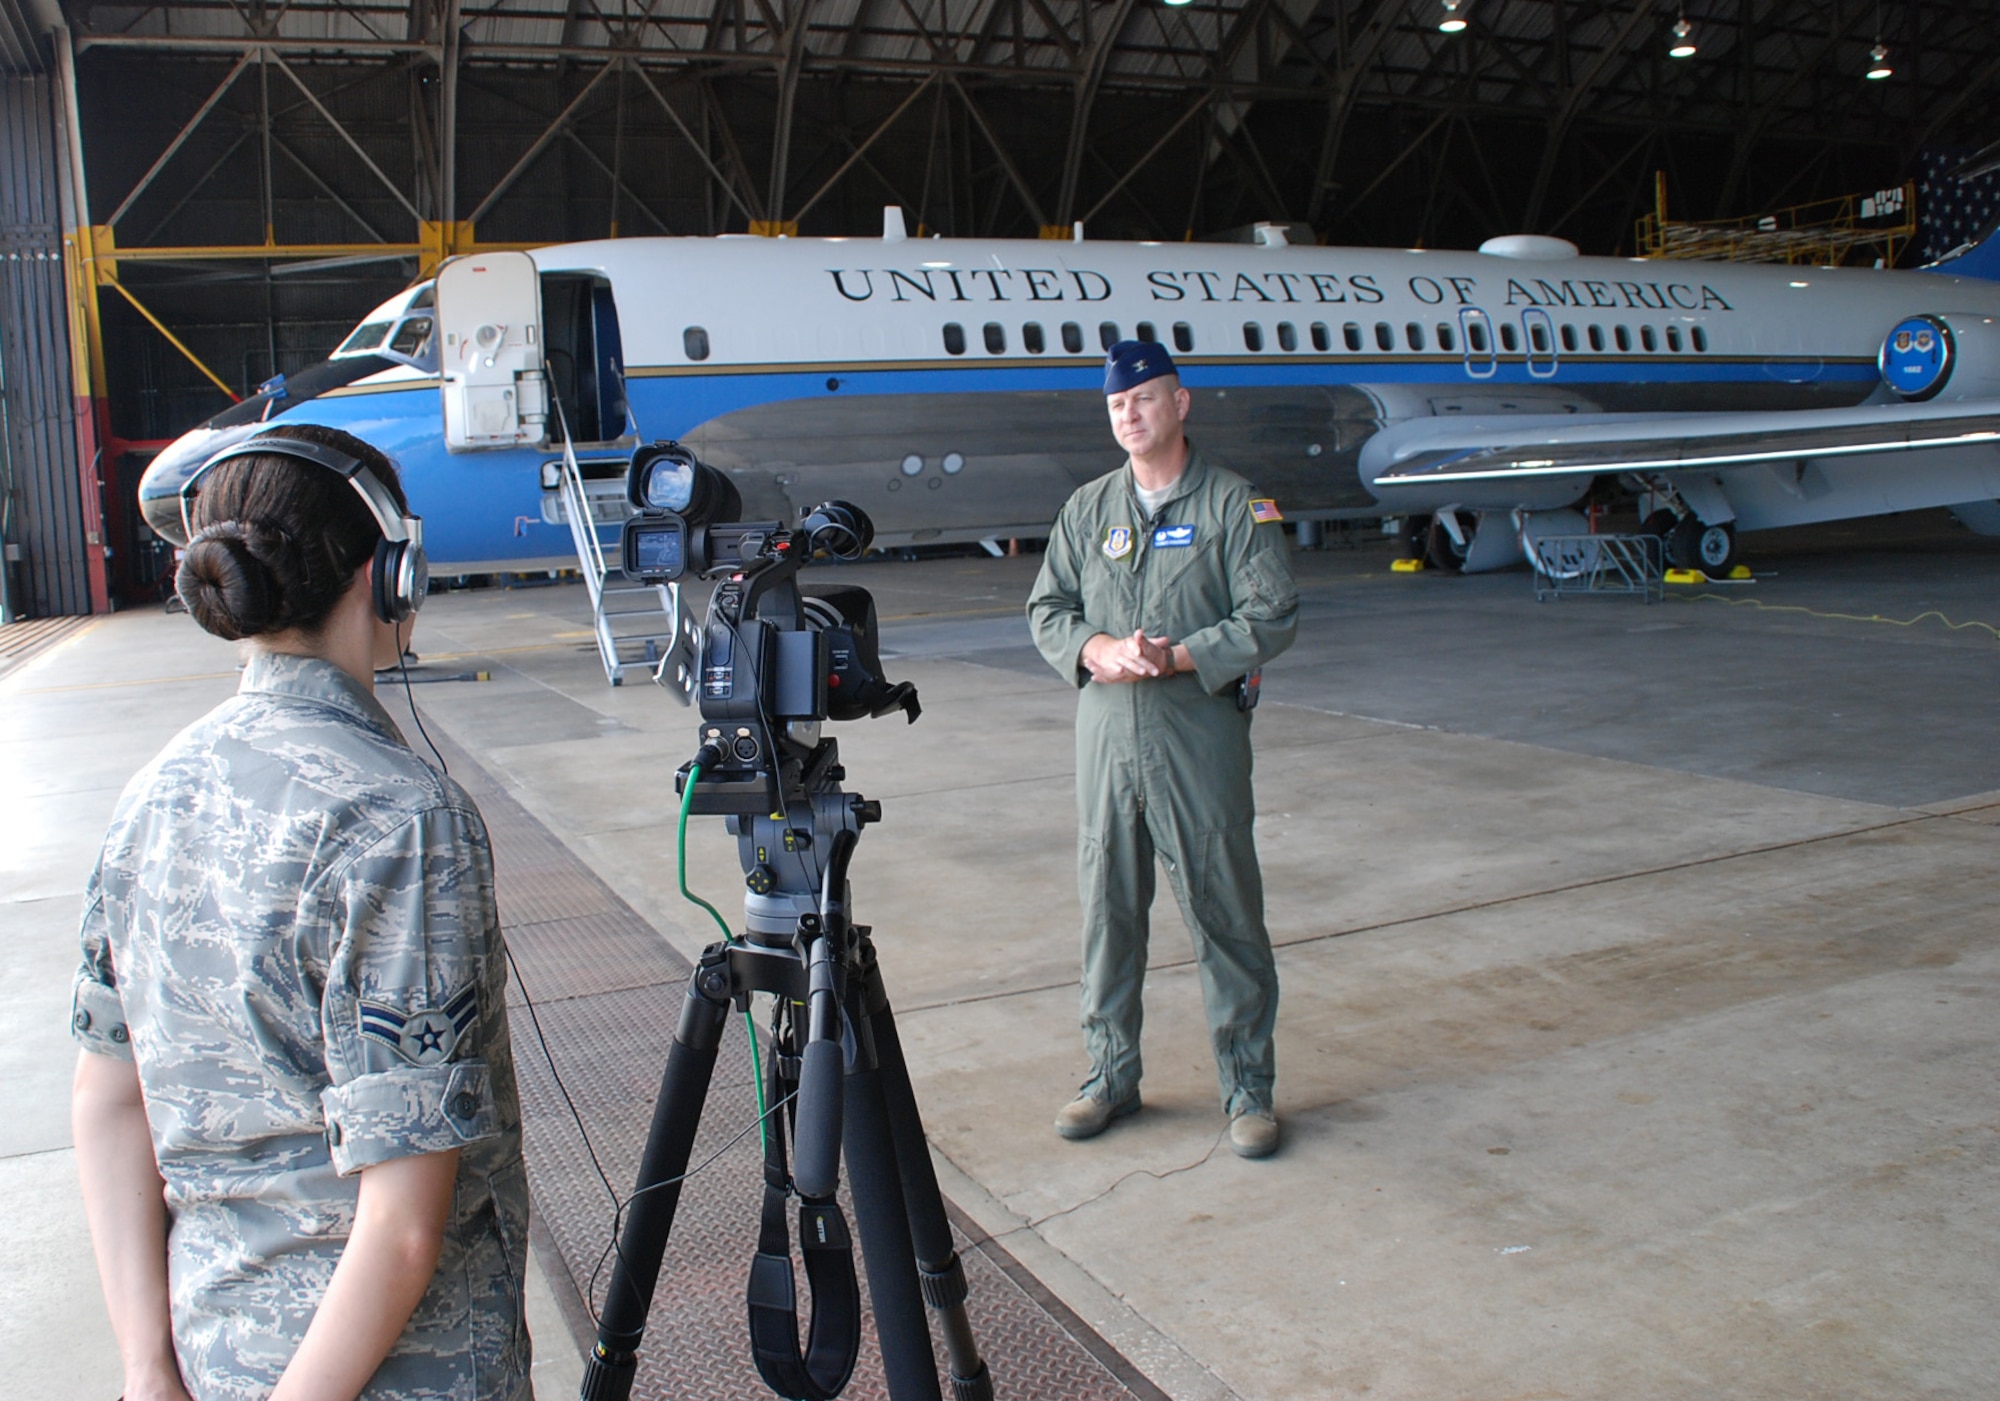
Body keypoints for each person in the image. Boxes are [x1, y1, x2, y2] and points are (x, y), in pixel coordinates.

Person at [69, 423, 533, 1401]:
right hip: (397, 1371)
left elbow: (109, 1096)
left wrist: (146, 1365)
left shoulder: (150, 796)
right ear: (389, 575)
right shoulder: (400, 817)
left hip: (212, 1353)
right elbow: (401, 1225)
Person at [1026, 342, 1299, 1159]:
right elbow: (1047, 607)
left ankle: (1248, 1089)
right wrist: (1098, 647)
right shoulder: (1088, 509)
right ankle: (1109, 1075)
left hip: (1195, 739)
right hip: (1108, 740)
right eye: (1118, 404)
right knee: (1108, 914)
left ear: (1181, 404)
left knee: (1225, 913)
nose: (1130, 414)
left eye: (1145, 398)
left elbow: (1271, 613)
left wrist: (1177, 656)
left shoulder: (1235, 506)